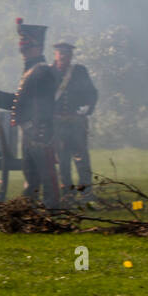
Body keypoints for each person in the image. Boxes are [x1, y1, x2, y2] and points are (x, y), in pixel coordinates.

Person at [0, 19, 59, 208]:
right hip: (28, 132)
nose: (23, 51)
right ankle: (29, 211)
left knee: (46, 175)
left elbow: (43, 105)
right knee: (30, 176)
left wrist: (41, 129)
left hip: (39, 132)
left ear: (36, 46)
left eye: (26, 46)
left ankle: (53, 210)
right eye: (23, 47)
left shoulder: (42, 71)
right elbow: (22, 103)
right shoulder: (31, 70)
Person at [51, 42, 98, 193]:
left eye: (66, 53)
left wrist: (87, 108)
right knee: (63, 160)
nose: (63, 56)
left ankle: (85, 193)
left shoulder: (79, 71)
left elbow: (92, 92)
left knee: (81, 158)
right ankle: (67, 194)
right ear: (55, 55)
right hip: (57, 123)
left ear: (71, 56)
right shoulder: (49, 72)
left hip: (76, 122)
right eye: (60, 53)